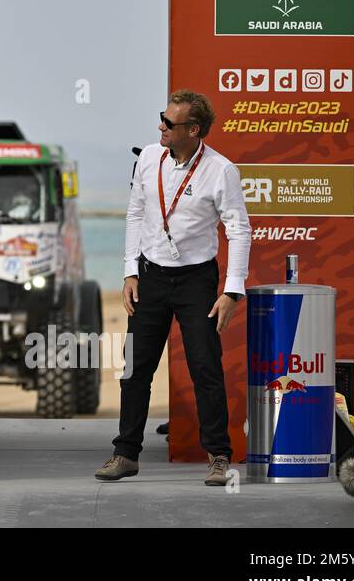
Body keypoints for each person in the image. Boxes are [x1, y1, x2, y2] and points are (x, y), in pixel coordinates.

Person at [95, 90, 250, 486]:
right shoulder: (149, 157)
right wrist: (130, 272)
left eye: (169, 123)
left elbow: (239, 230)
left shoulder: (221, 170)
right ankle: (126, 453)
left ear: (193, 130)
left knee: (205, 370)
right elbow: (135, 213)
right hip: (150, 278)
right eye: (161, 118)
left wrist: (232, 291)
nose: (160, 127)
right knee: (135, 371)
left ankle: (218, 457)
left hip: (197, 281)